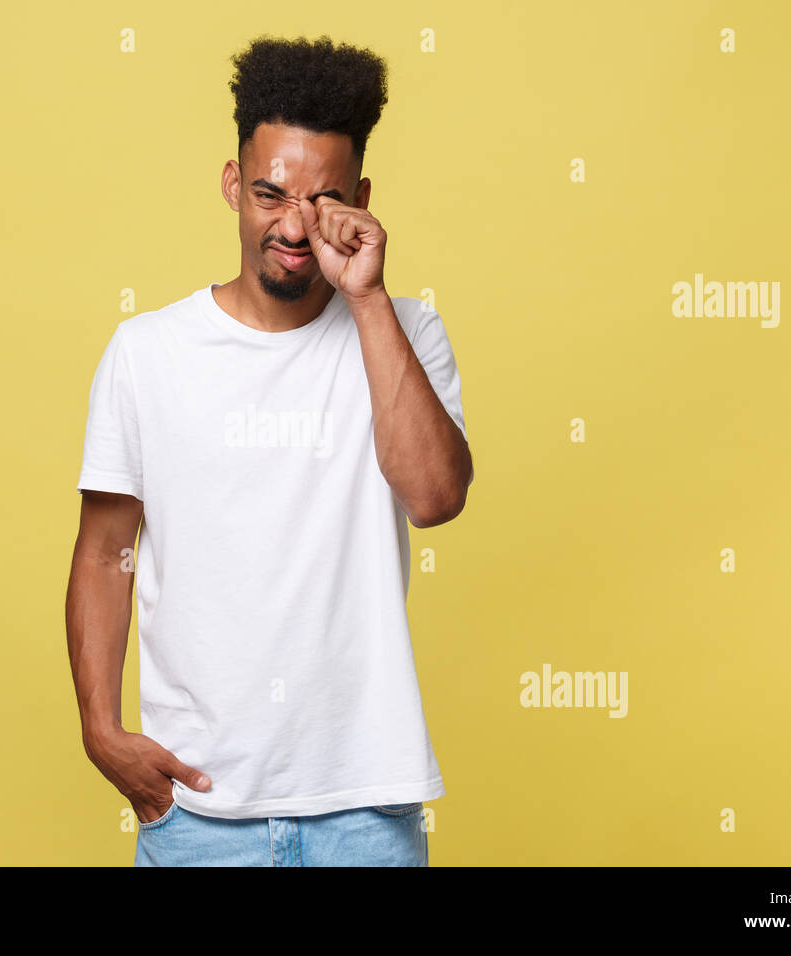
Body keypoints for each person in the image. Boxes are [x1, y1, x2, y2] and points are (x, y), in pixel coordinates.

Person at [66, 34, 473, 866]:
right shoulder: (148, 354)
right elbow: (107, 552)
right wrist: (101, 732)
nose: (293, 226)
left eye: (321, 201)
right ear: (231, 184)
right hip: (197, 813)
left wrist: (365, 301)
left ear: (359, 198)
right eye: (269, 193)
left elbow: (435, 499)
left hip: (364, 805)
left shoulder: (405, 330)